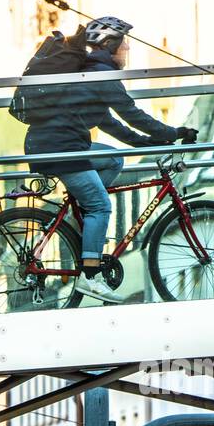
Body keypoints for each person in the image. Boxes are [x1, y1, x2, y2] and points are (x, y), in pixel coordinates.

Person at [23, 16, 197, 301]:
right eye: (124, 43)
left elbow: (113, 125)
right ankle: (90, 275)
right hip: (61, 148)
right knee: (101, 206)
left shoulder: (94, 75)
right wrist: (174, 132)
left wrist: (150, 141)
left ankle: (83, 211)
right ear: (110, 44)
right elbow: (132, 114)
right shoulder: (102, 75)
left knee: (114, 159)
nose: (127, 48)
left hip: (57, 145)